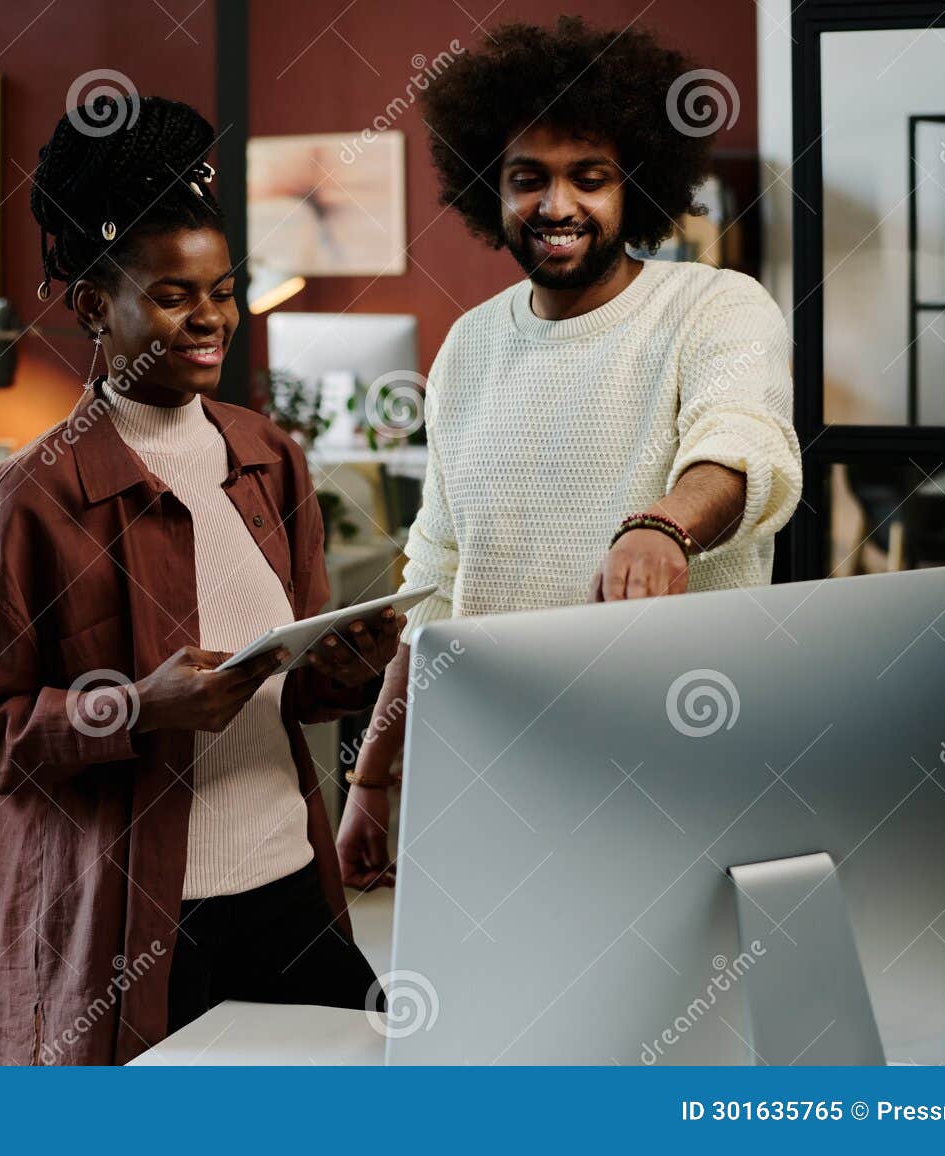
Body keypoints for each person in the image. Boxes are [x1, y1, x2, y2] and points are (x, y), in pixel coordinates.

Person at [0, 95, 399, 1065]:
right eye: (175, 297)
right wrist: (137, 706)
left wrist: (352, 664)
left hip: (290, 890)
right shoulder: (34, 496)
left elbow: (288, 684)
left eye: (222, 290)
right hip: (142, 922)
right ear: (95, 306)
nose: (211, 317)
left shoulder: (269, 457)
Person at [336, 17, 804, 890]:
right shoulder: (469, 348)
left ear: (636, 187)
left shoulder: (714, 306)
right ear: (492, 189)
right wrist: (373, 775)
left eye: (589, 178)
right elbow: (434, 580)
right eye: (528, 180)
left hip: (677, 768)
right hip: (490, 776)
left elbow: (743, 444)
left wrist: (662, 527)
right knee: (486, 1022)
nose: (557, 207)